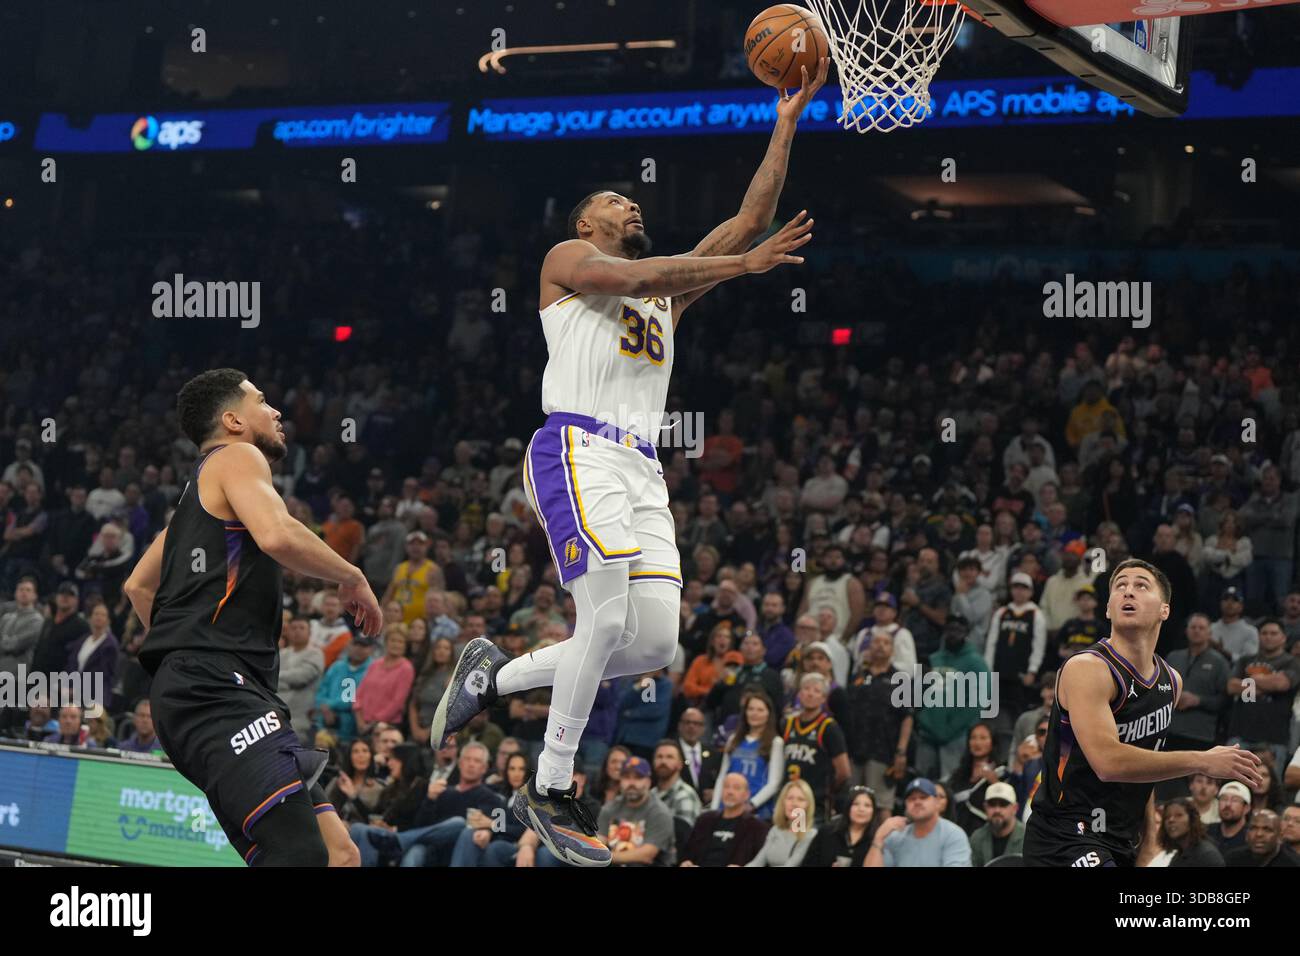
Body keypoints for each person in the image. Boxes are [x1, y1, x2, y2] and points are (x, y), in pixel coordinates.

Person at [423, 60, 828, 868]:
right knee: (602, 622)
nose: (631, 204)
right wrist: (741, 268)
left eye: (632, 200)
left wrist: (785, 122)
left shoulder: (662, 298)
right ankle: (549, 786)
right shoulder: (567, 263)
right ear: (586, 223)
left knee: (651, 645)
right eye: (615, 200)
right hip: (577, 447)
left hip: (642, 468)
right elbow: (644, 272)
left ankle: (492, 677)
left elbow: (751, 218)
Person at [127, 369, 382, 867]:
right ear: (232, 421)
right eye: (262, 401)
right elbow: (277, 533)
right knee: (299, 853)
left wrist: (182, 651)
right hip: (214, 689)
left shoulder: (191, 504)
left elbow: (137, 586)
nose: (276, 410)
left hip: (212, 691)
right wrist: (351, 576)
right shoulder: (236, 455)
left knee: (340, 854)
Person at [1023, 559, 1262, 867]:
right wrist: (1202, 760)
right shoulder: (1088, 668)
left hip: (1122, 839)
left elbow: (1146, 763)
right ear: (1108, 609)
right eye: (1120, 585)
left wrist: (1149, 842)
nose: (1128, 591)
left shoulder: (1171, 681)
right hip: (1064, 834)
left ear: (1164, 609)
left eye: (1141, 585)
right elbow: (1108, 763)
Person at [916, 614, 989, 780]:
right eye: (950, 629)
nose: (953, 634)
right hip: (927, 733)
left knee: (950, 782)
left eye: (958, 630)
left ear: (966, 633)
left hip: (957, 735)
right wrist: (923, 719)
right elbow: (919, 692)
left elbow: (979, 700)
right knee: (922, 781)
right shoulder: (933, 659)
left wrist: (952, 728)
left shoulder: (976, 663)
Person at [846, 631, 913, 812]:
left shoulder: (900, 680)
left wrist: (901, 751)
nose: (881, 646)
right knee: (852, 802)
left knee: (881, 805)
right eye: (876, 642)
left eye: (886, 643)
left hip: (883, 751)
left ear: (893, 650)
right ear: (869, 647)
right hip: (854, 750)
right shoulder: (857, 677)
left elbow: (907, 717)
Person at [1226, 618, 1300, 772]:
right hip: (1241, 733)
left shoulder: (1292, 662)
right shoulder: (1245, 660)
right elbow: (1231, 686)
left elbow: (1281, 684)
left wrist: (1250, 680)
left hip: (1275, 738)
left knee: (1270, 783)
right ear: (1258, 636)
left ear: (1283, 638)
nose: (1268, 637)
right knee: (1231, 781)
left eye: (1273, 633)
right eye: (1264, 633)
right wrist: (1267, 684)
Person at [780, 672, 849, 823]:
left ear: (824, 698)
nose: (810, 694)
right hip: (787, 798)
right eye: (806, 689)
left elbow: (843, 771)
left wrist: (827, 791)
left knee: (803, 835)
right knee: (784, 835)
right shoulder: (787, 724)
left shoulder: (829, 727)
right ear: (799, 694)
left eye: (816, 691)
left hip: (814, 802)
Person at [711, 690, 785, 819]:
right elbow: (722, 776)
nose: (754, 713)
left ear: (769, 714)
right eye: (750, 709)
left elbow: (774, 783)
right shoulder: (733, 739)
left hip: (756, 812)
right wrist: (714, 807)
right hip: (727, 807)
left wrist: (751, 805)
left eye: (760, 710)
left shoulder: (775, 742)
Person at [866, 778, 972, 867]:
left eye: (923, 797)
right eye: (912, 799)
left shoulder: (953, 834)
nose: (917, 802)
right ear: (906, 805)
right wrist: (878, 838)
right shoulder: (896, 837)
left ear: (936, 802)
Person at [597, 756, 677, 867]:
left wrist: (603, 857)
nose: (631, 783)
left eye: (638, 778)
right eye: (626, 777)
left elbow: (646, 855)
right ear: (620, 781)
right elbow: (599, 844)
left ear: (648, 782)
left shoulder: (659, 812)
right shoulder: (609, 809)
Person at [679, 772, 770, 867]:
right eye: (726, 787)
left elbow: (762, 862)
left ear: (747, 794)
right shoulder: (704, 820)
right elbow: (686, 854)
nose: (730, 792)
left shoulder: (757, 827)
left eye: (736, 788)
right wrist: (686, 863)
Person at [746, 780, 818, 867]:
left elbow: (790, 865)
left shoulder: (810, 834)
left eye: (800, 799)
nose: (794, 803)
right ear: (783, 802)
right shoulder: (776, 830)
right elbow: (758, 862)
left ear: (808, 806)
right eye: (790, 798)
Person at [278, 614, 324, 744]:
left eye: (302, 628)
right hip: (279, 713)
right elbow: (270, 681)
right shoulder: (281, 654)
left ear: (310, 632)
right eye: (294, 628)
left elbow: (301, 678)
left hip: (302, 717)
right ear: (288, 632)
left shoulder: (316, 654)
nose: (297, 631)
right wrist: (289, 682)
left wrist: (280, 678)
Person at [1140, 797, 1224, 867]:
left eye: (1179, 815)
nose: (1171, 820)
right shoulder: (1178, 856)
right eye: (1167, 817)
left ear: (1192, 820)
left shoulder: (1207, 855)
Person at [326, 738, 385, 825]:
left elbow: (374, 821)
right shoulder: (337, 782)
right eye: (355, 752)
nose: (361, 755)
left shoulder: (378, 787)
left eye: (365, 751)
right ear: (349, 756)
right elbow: (324, 808)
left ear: (371, 756)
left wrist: (353, 795)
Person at [968, 781, 1026, 867]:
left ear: (1015, 808)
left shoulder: (1028, 837)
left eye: (1003, 804)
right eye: (992, 804)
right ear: (985, 807)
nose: (997, 810)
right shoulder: (977, 838)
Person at [652, 739, 703, 827]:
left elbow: (684, 833)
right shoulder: (650, 794)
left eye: (670, 757)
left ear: (680, 764)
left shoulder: (685, 795)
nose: (663, 761)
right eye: (659, 757)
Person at [1222, 809, 1300, 867]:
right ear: (1246, 833)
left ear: (1279, 836)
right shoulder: (1233, 859)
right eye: (1253, 828)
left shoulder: (1293, 863)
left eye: (1267, 829)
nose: (1259, 834)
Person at [1207, 781, 1252, 854]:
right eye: (1224, 799)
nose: (1227, 804)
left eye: (1235, 800)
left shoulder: (1251, 837)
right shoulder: (1207, 832)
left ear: (1246, 808)